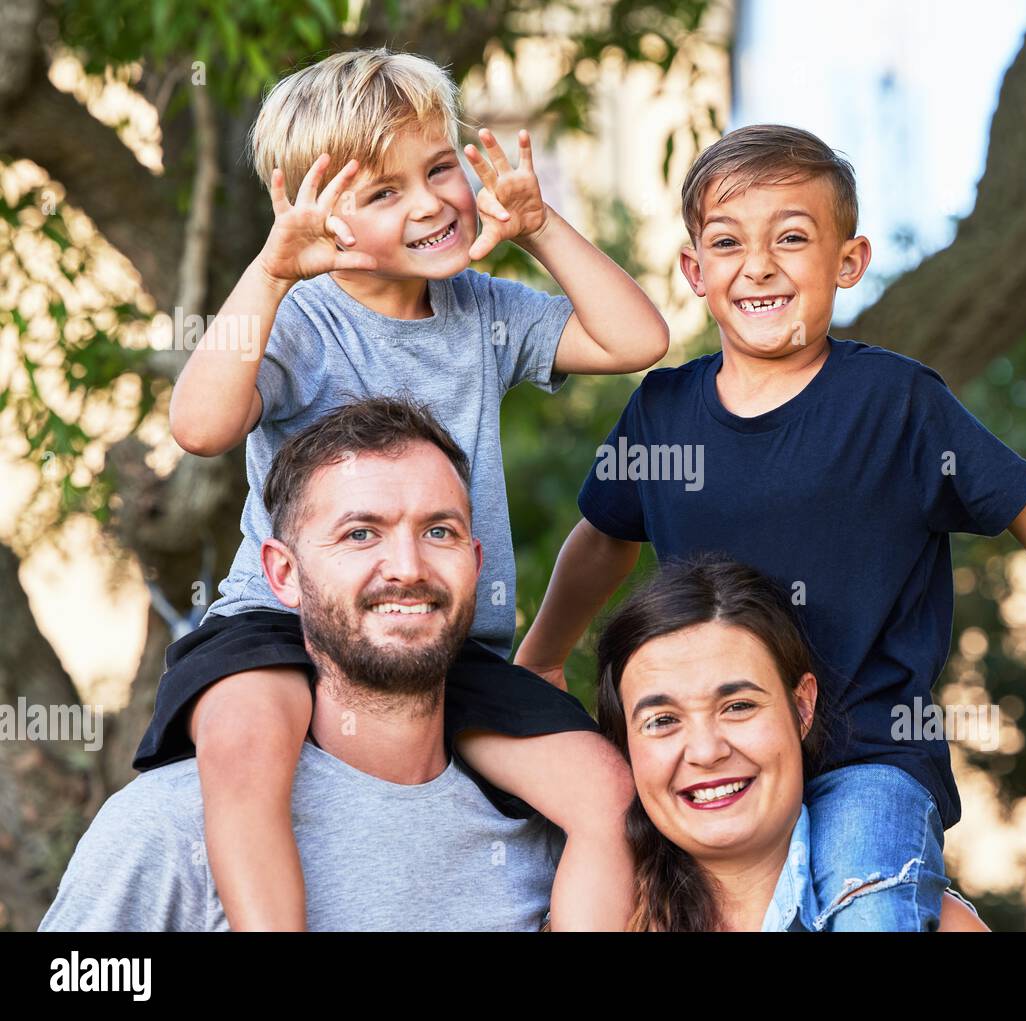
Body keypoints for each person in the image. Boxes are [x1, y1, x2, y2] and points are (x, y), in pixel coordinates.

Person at [515, 123, 1026, 931]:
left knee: (871, 910)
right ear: (694, 269)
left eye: (793, 238)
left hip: (868, 759)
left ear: (849, 261)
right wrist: (544, 654)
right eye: (728, 242)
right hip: (712, 761)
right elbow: (602, 538)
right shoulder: (662, 414)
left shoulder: (897, 405)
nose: (760, 264)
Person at [134, 48, 668, 930]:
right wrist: (270, 273)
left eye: (440, 167)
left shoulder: (486, 312)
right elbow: (198, 424)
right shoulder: (302, 319)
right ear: (320, 219)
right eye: (383, 193)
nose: (429, 203)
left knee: (610, 794)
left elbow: (634, 337)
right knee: (242, 745)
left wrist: (537, 225)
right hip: (283, 622)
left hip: (446, 642)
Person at [43, 398, 574, 931]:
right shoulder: (168, 828)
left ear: (476, 563)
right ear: (283, 573)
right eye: (360, 534)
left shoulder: (545, 838)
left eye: (439, 532)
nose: (408, 568)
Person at [594, 556, 987, 931]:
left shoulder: (911, 918)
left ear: (802, 708)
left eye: (738, 706)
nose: (706, 751)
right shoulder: (584, 913)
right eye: (662, 720)